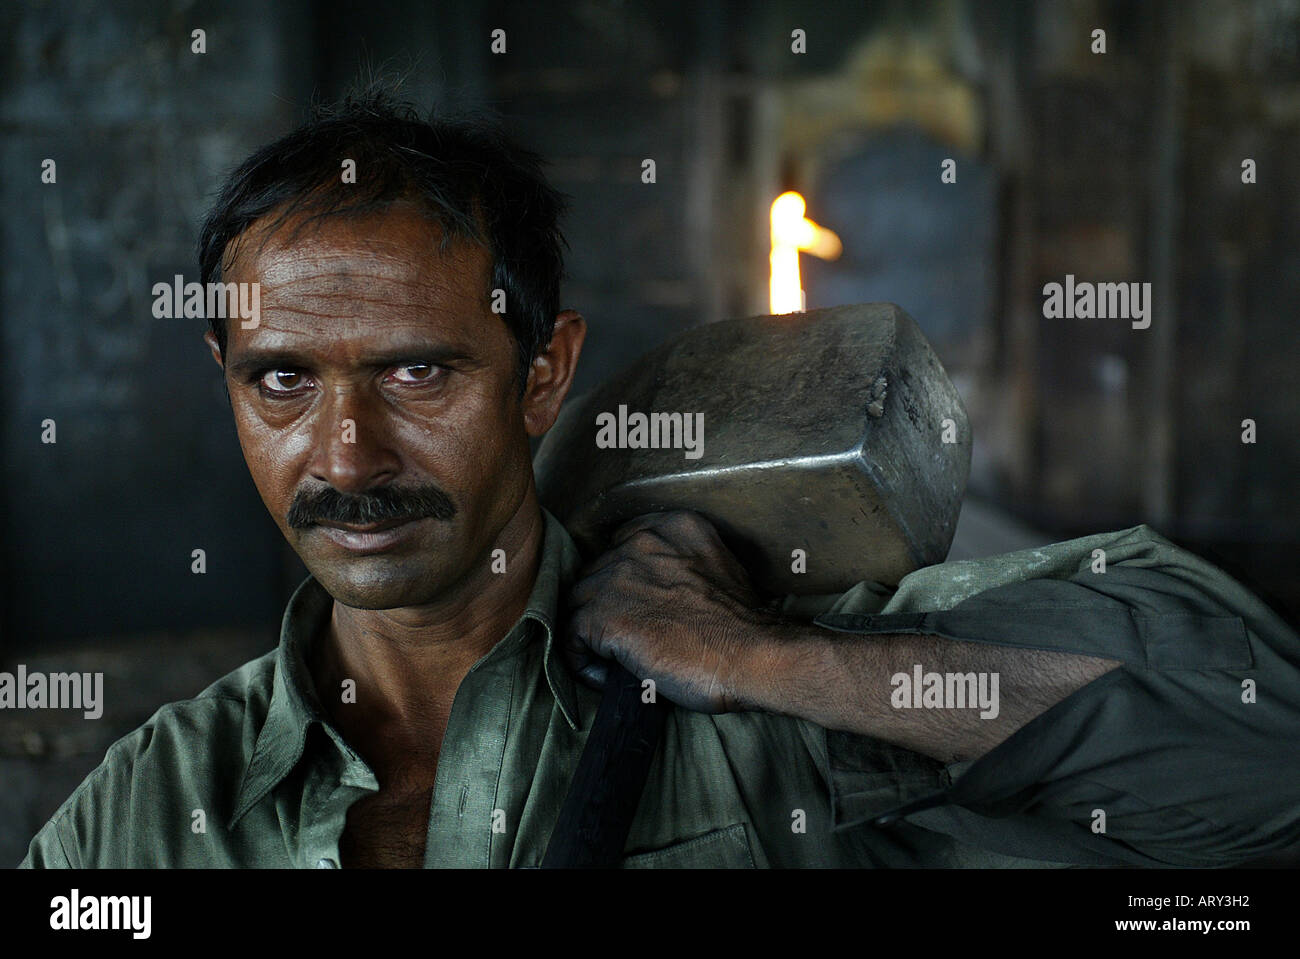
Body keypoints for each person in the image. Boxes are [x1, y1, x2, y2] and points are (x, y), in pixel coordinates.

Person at [21, 92, 1300, 868]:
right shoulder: (143, 814)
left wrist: (755, 661)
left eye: (418, 375)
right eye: (282, 382)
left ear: (541, 373)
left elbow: (1255, 770)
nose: (345, 457)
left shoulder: (768, 710)